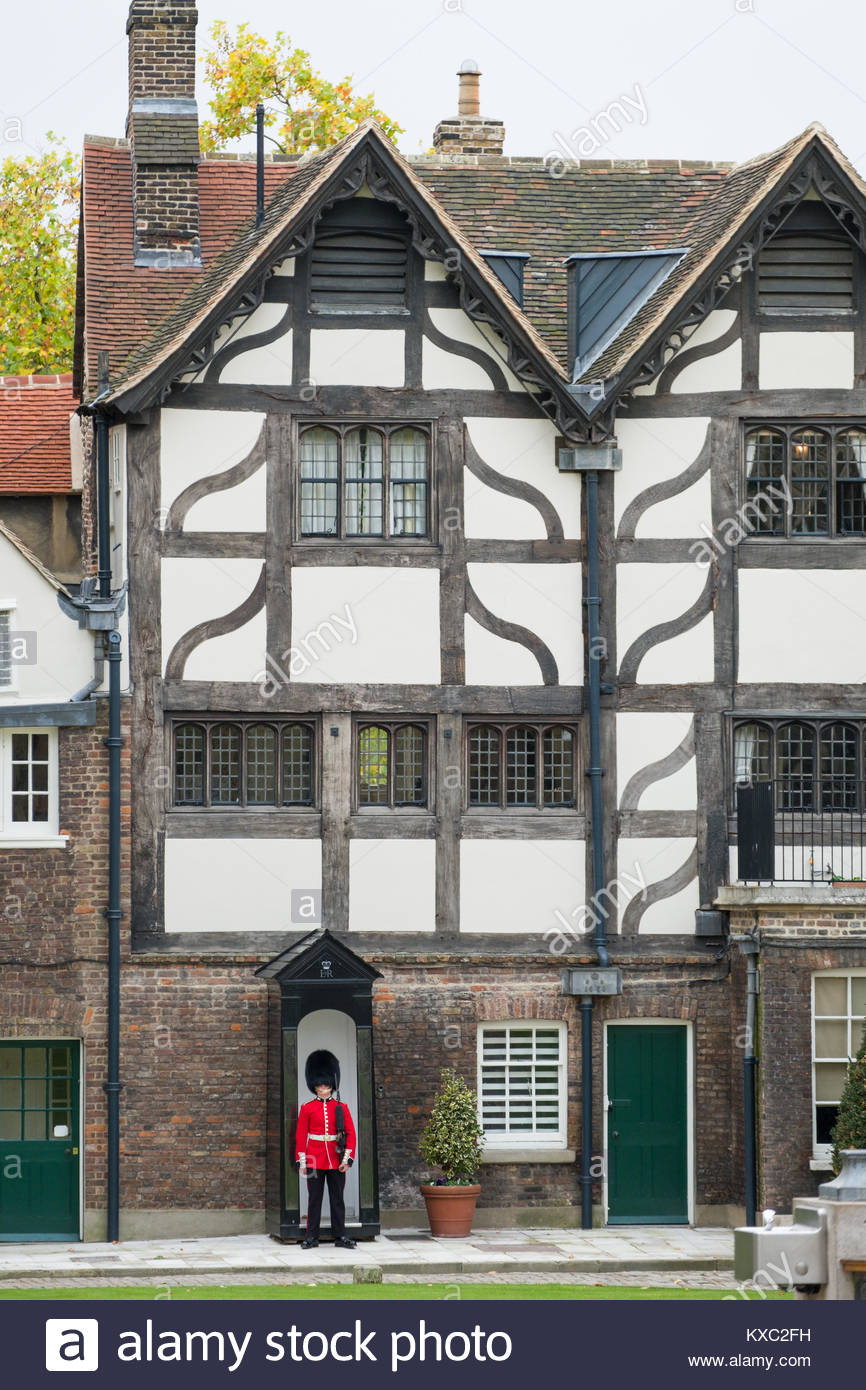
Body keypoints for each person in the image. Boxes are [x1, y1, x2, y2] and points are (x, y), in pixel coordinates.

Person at [296, 1049, 357, 1249]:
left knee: (337, 1198)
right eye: (320, 1084)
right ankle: (311, 1237)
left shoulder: (342, 1107)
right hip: (314, 1158)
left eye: (326, 1083)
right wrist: (302, 1162)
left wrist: (347, 1159)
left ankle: (340, 1236)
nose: (323, 1087)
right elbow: (300, 1135)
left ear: (332, 1083)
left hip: (335, 1157)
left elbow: (351, 1134)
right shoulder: (307, 1108)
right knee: (314, 1199)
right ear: (314, 1085)